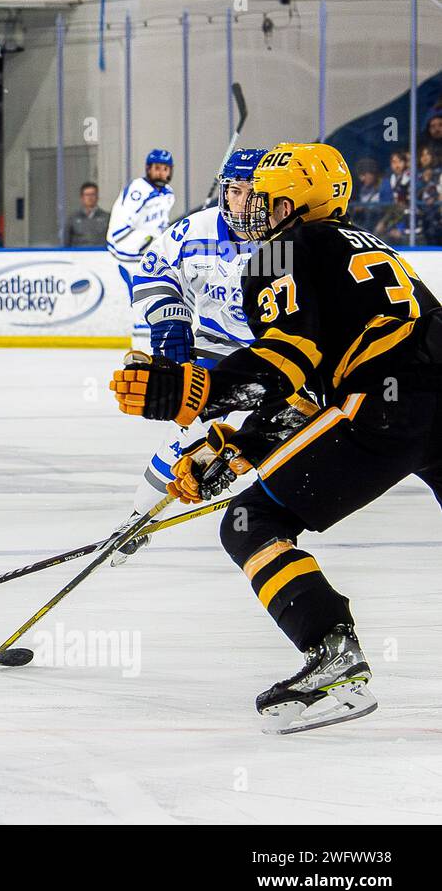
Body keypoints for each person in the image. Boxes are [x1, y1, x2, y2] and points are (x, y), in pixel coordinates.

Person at [110, 142, 442, 734]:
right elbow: (311, 390)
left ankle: (334, 661)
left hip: (389, 404)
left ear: (300, 201)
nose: (256, 209)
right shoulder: (370, 246)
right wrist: (239, 446)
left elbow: (287, 358)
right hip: (417, 394)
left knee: (249, 523)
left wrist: (200, 389)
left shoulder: (281, 252)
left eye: (268, 198)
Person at [110, 148, 267, 564]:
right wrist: (170, 320)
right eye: (235, 190)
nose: (243, 202)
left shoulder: (288, 237)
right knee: (187, 428)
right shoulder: (194, 231)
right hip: (217, 343)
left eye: (255, 193)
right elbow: (153, 268)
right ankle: (136, 520)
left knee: (286, 431)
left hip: (282, 350)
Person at [106, 150, 176, 348]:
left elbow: (161, 226)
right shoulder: (139, 190)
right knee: (142, 298)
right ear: (148, 169)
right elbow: (120, 231)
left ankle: (146, 343)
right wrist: (149, 240)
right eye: (157, 169)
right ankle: (140, 347)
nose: (161, 173)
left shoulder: (168, 194)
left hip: (146, 250)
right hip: (127, 250)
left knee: (153, 296)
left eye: (165, 169)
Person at [65, 182, 110, 247]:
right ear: (82, 198)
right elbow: (66, 242)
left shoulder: (106, 218)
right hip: (78, 255)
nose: (90, 198)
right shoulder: (73, 219)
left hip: (100, 255)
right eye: (87, 195)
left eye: (93, 194)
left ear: (97, 197)